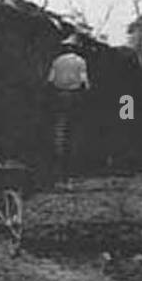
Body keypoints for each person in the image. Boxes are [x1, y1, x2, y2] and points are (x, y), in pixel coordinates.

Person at [47, 31, 89, 178]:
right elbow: (85, 82)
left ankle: (59, 164)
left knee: (59, 129)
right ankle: (72, 166)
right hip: (74, 95)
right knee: (75, 129)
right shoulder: (80, 61)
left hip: (59, 95)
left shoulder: (57, 61)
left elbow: (50, 80)